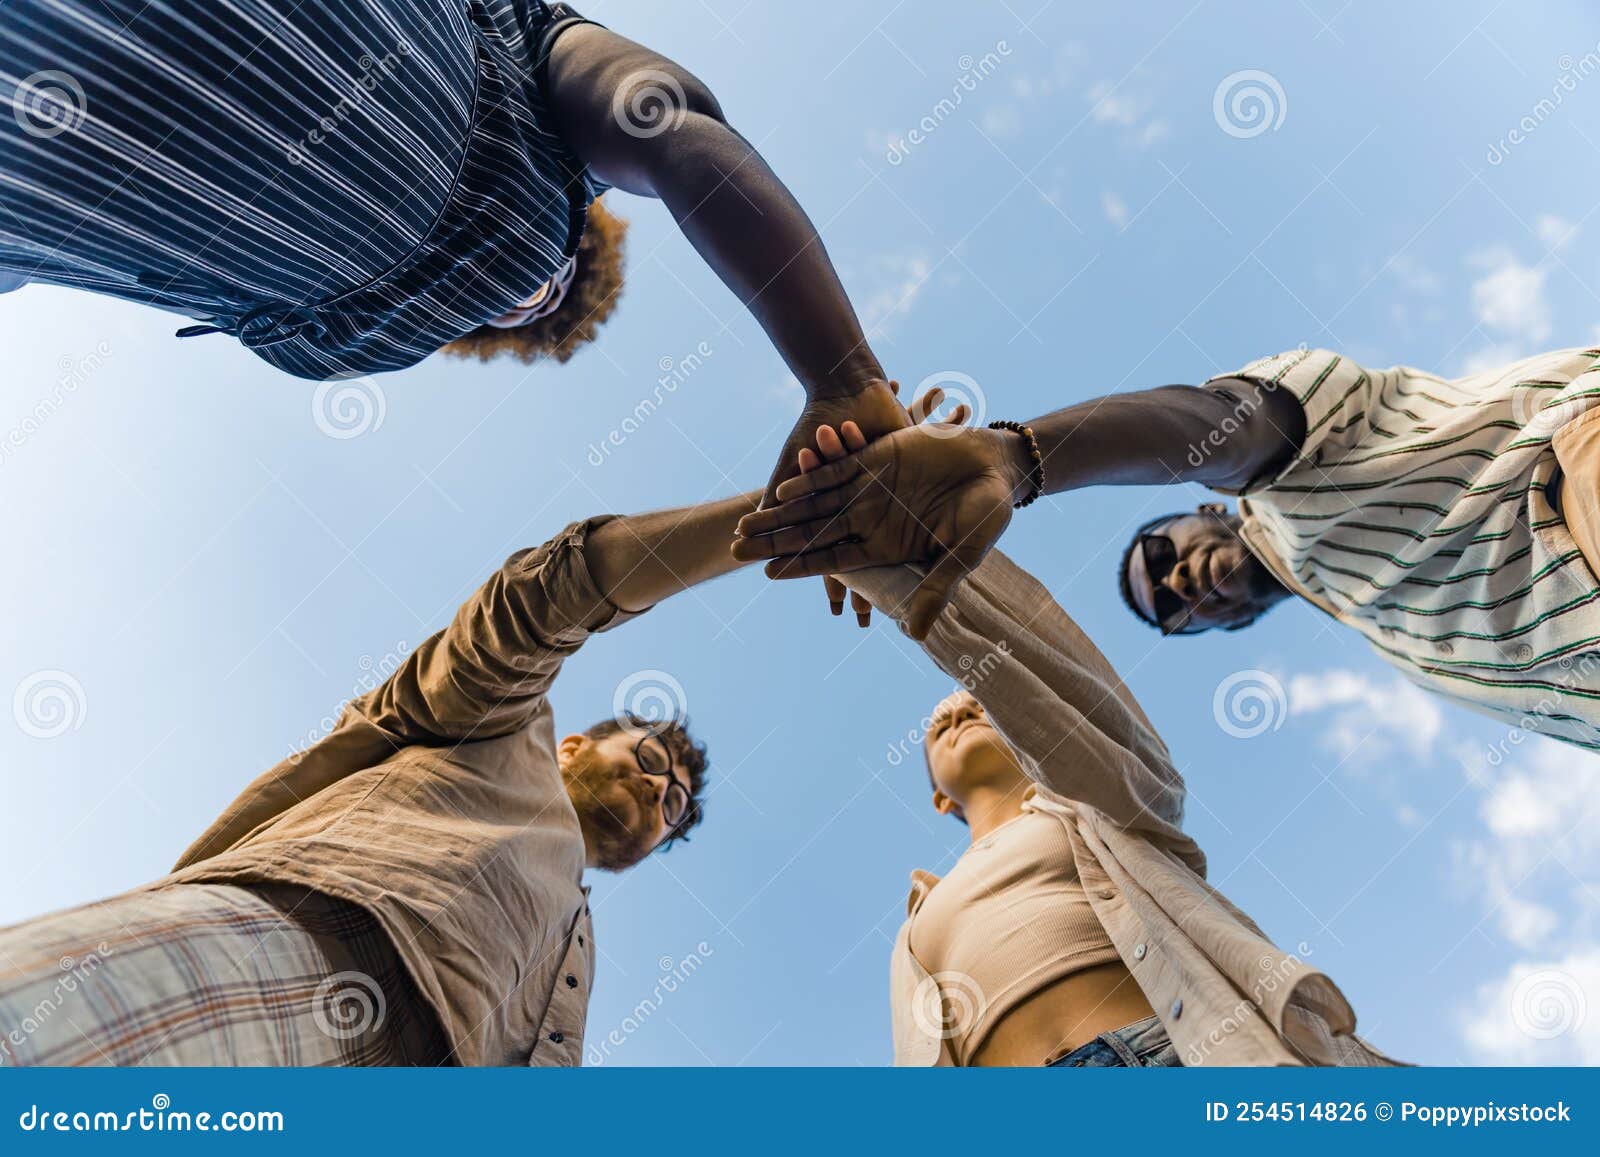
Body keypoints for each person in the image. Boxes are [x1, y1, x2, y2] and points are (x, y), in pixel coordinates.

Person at [1, 1, 905, 498]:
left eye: (534, 310)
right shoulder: (530, 75)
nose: (536, 291)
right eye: (564, 272)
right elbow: (663, 118)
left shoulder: (352, 346)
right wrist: (843, 372)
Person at [0, 489, 748, 1066]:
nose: (659, 791)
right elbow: (537, 604)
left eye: (674, 804)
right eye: (651, 760)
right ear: (577, 745)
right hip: (294, 950)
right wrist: (772, 522)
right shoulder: (509, 723)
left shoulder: (579, 948)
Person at [737, 346, 1600, 750]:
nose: (1183, 584)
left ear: (1203, 510)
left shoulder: (1292, 473)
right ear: (1218, 631)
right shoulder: (1378, 626)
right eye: (1176, 611)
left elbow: (1221, 424)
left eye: (1165, 557)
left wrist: (1020, 456)